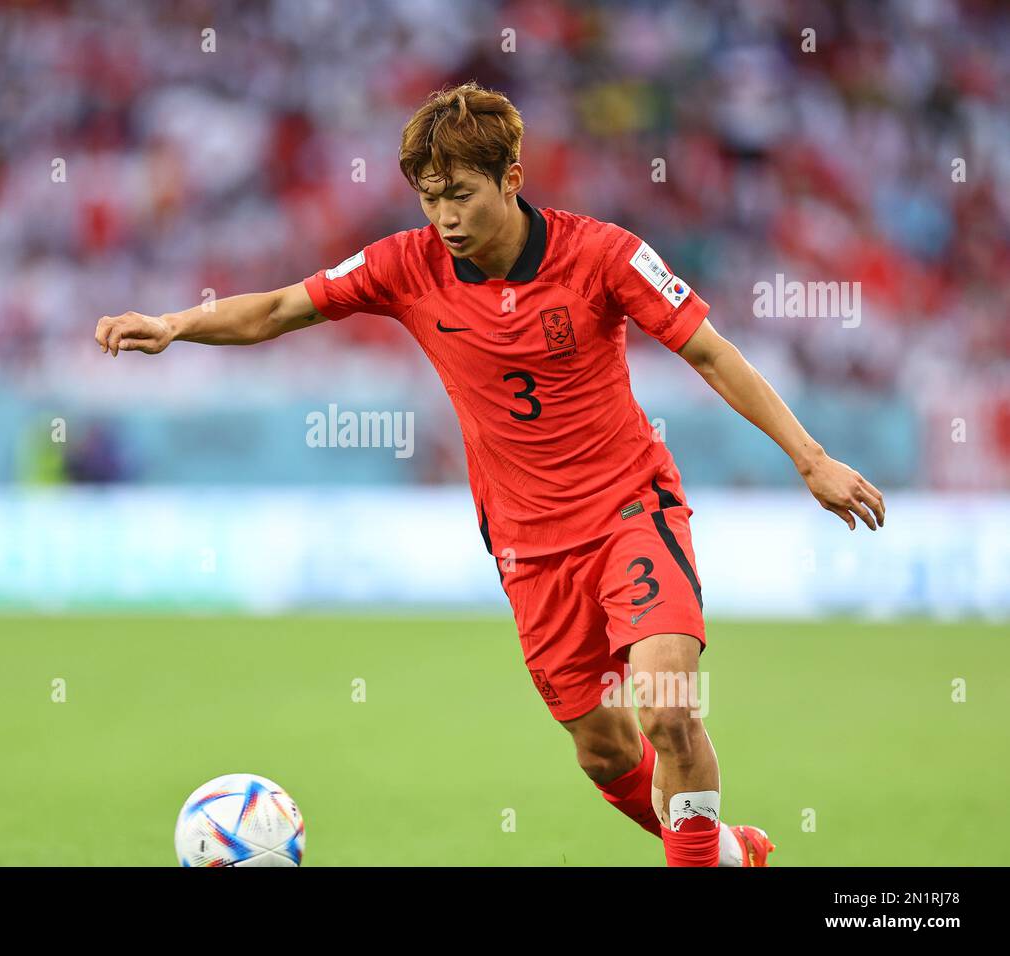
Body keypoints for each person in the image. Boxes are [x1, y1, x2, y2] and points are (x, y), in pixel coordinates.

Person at [94, 81, 885, 866]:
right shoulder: (404, 266)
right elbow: (276, 309)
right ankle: (722, 852)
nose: (445, 217)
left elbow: (710, 351)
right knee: (603, 751)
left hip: (629, 512)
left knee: (667, 709)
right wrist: (174, 324)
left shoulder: (604, 255)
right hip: (527, 547)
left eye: (463, 195)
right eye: (430, 197)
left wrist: (810, 459)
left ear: (512, 177)